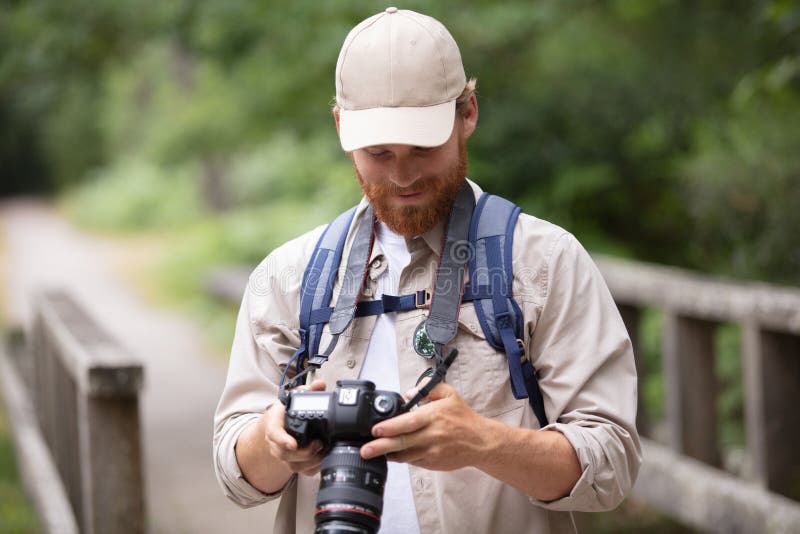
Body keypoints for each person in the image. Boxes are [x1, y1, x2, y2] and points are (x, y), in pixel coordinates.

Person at [213, 7, 641, 534]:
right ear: (341, 126)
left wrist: (484, 442)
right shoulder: (289, 278)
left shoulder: (543, 264)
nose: (403, 174)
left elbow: (612, 465)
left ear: (468, 114)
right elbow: (234, 473)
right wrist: (273, 440)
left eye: (422, 146)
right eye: (379, 152)